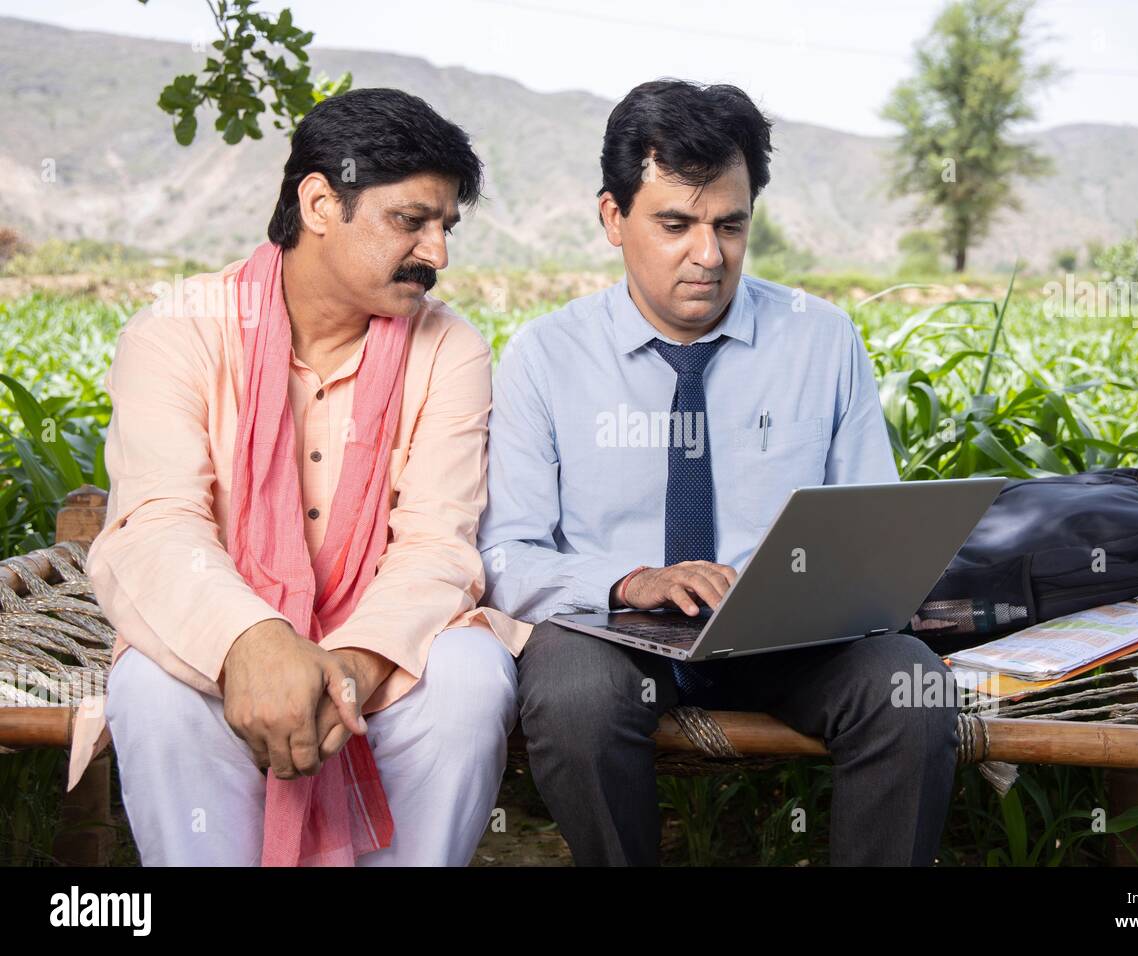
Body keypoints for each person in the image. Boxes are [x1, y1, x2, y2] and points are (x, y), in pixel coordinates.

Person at [478, 79, 960, 866]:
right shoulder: (545, 358)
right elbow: (506, 555)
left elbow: (873, 524)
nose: (709, 255)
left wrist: (819, 583)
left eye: (730, 225)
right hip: (613, 638)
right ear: (612, 217)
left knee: (909, 689)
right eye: (675, 224)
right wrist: (630, 582)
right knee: (570, 695)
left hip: (789, 640)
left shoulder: (822, 339)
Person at [67, 88, 529, 866]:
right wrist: (253, 639)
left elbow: (435, 546)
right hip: (215, 635)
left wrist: (345, 667)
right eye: (410, 221)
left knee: (471, 677)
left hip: (376, 652)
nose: (437, 254)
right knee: (151, 688)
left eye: (446, 227)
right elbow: (158, 525)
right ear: (320, 201)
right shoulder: (178, 329)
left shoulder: (450, 349)